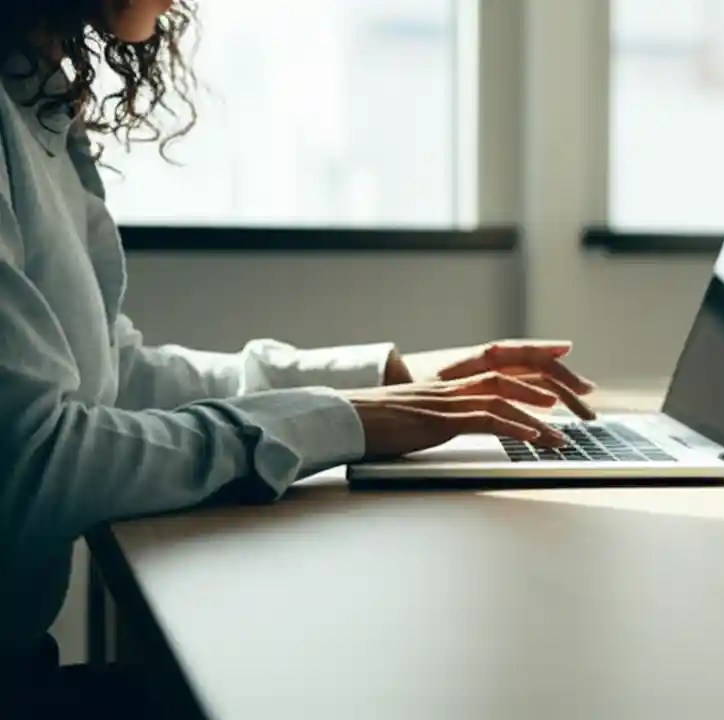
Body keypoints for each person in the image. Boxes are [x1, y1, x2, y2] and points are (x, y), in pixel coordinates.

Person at [0, 1, 596, 715]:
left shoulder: (35, 96)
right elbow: (37, 460)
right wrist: (342, 422)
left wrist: (388, 378)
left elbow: (115, 376)